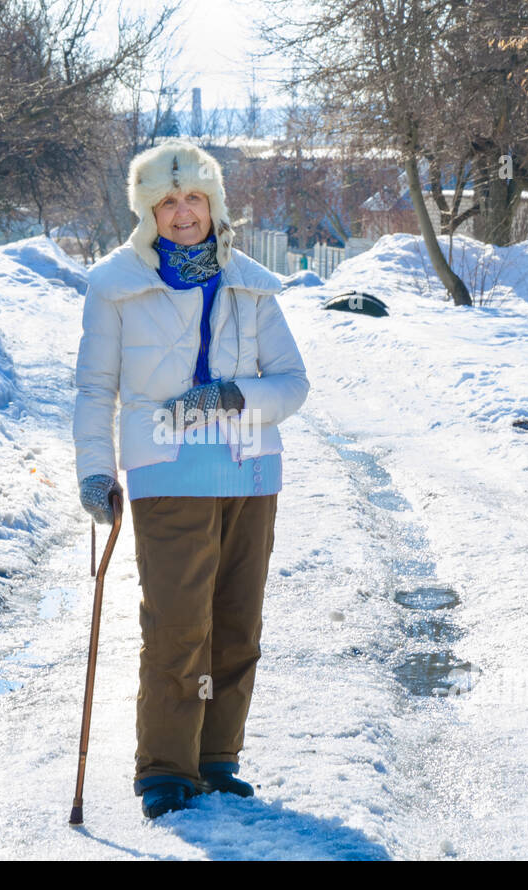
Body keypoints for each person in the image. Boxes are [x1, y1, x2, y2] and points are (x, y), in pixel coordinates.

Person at [72, 139, 310, 819]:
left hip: (251, 474)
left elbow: (293, 384)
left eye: (194, 198)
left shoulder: (251, 283)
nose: (183, 213)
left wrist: (232, 397)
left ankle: (216, 757)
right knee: (178, 623)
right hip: (167, 474)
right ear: (148, 210)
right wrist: (95, 471)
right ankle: (166, 767)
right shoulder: (115, 285)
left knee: (237, 625)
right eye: (168, 200)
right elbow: (95, 388)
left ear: (214, 203)